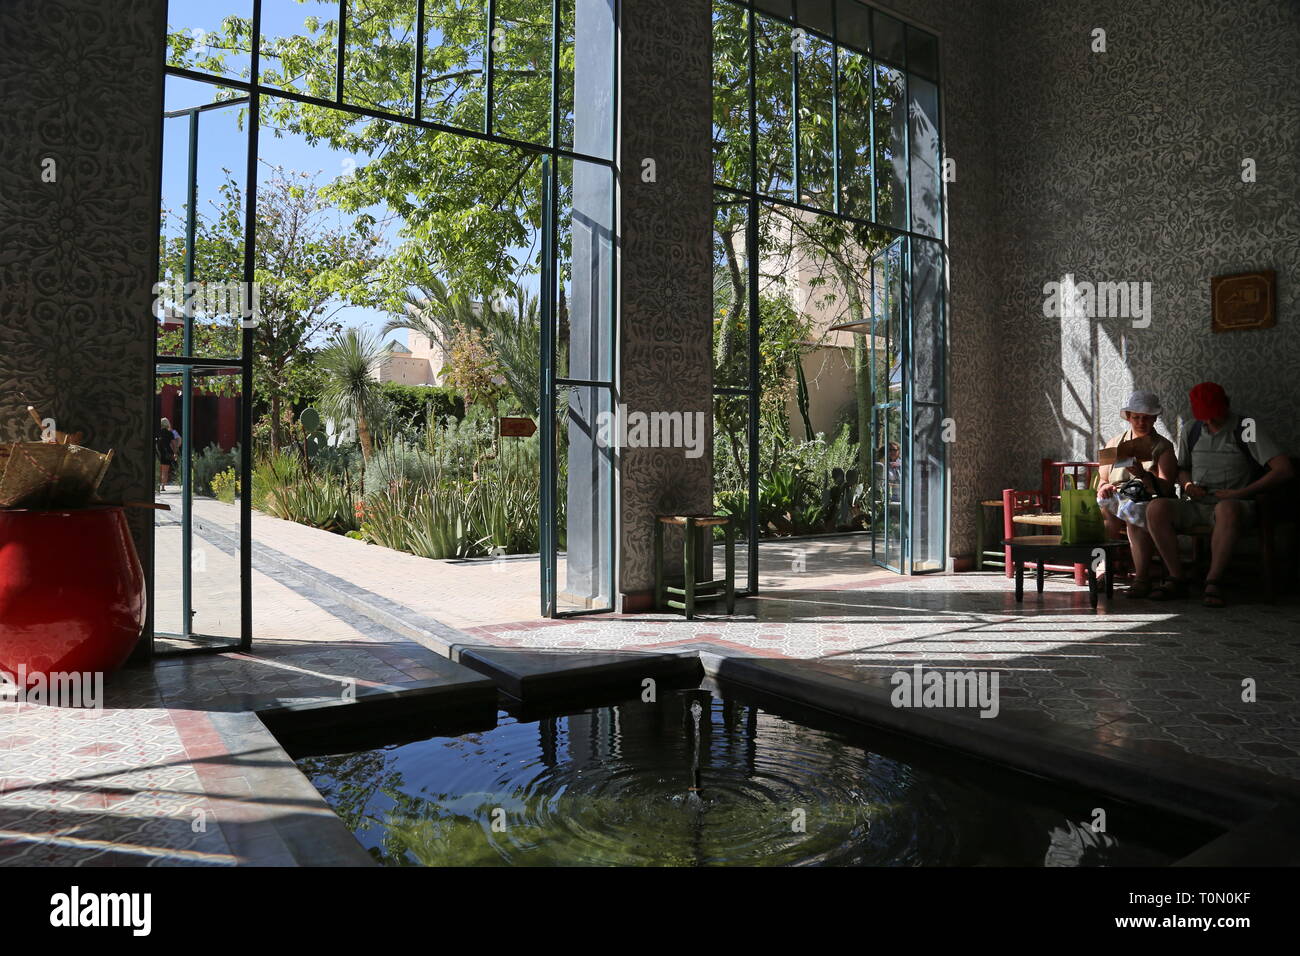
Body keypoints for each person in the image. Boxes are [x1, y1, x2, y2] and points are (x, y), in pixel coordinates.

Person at [1130, 381, 1292, 607]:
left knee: (1227, 508)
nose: (1210, 421)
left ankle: (1214, 581)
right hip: (1198, 502)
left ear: (1226, 405)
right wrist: (1187, 486)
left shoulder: (1246, 427)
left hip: (1235, 504)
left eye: (1214, 414)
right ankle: (1177, 577)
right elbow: (1183, 468)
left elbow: (1284, 469)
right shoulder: (1191, 429)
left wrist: (1241, 492)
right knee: (1156, 508)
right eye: (1204, 415)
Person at [1096, 391, 1177, 549]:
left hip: (1148, 500)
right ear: (1128, 417)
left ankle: (1140, 572)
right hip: (1117, 497)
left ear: (1154, 418)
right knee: (1107, 513)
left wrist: (1142, 474)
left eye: (1146, 417)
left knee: (1134, 515)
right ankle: (1104, 564)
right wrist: (1103, 487)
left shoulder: (1164, 446)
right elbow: (1103, 479)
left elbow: (1166, 488)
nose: (1141, 422)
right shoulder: (1113, 443)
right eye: (1136, 417)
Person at [156, 417, 179, 490]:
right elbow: (174, 444)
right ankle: (162, 487)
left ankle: (156, 486)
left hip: (158, 452)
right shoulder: (170, 433)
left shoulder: (157, 432)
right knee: (165, 471)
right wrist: (175, 453)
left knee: (157, 469)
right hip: (167, 453)